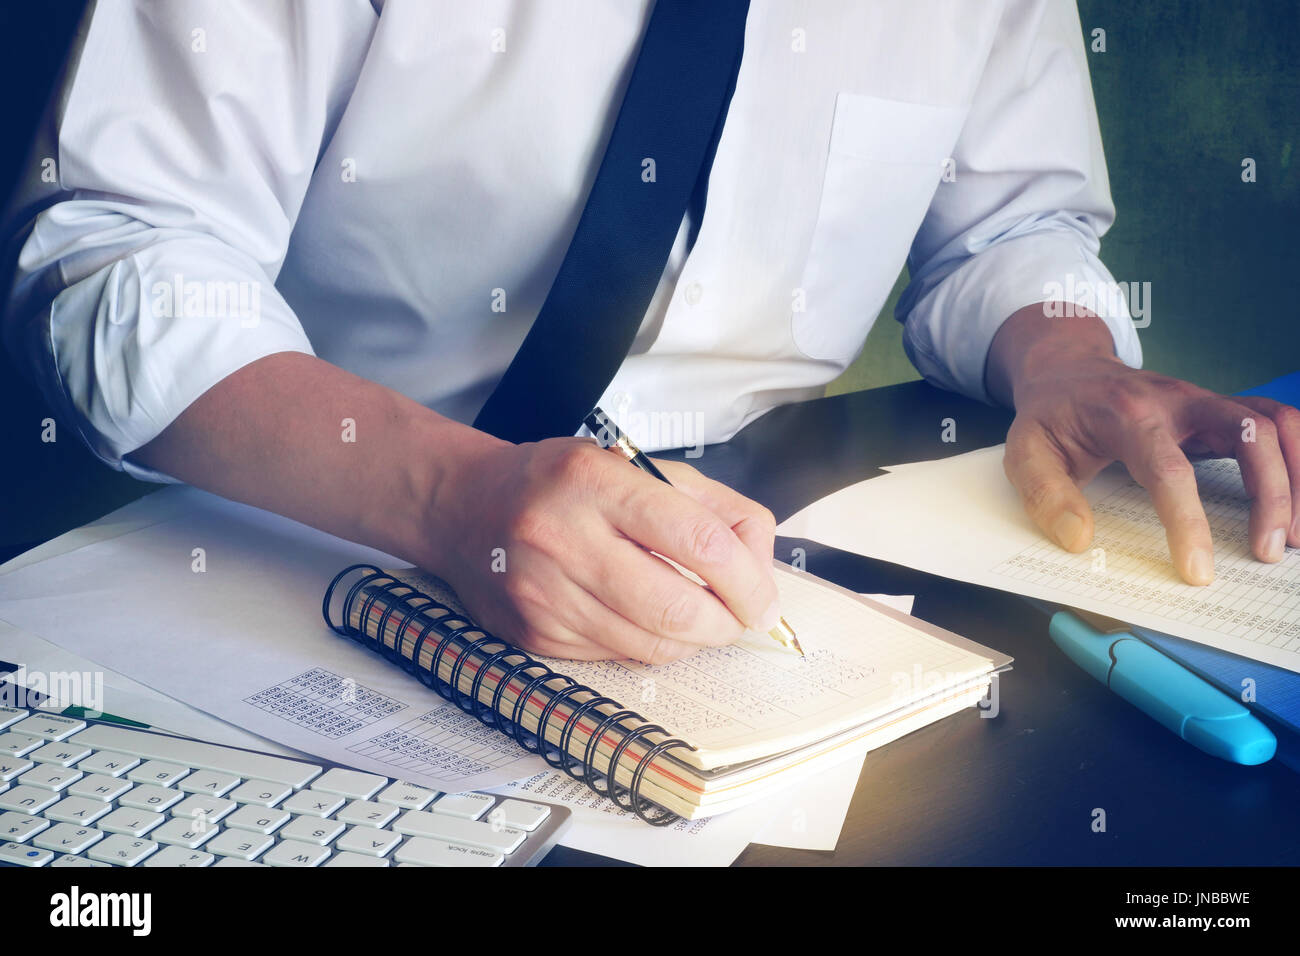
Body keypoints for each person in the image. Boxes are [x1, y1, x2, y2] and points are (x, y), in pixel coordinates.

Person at [4, 2, 1295, 667]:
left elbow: (1005, 227)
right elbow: (122, 245)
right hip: (323, 513)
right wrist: (450, 493)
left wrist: (1070, 358)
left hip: (761, 567)